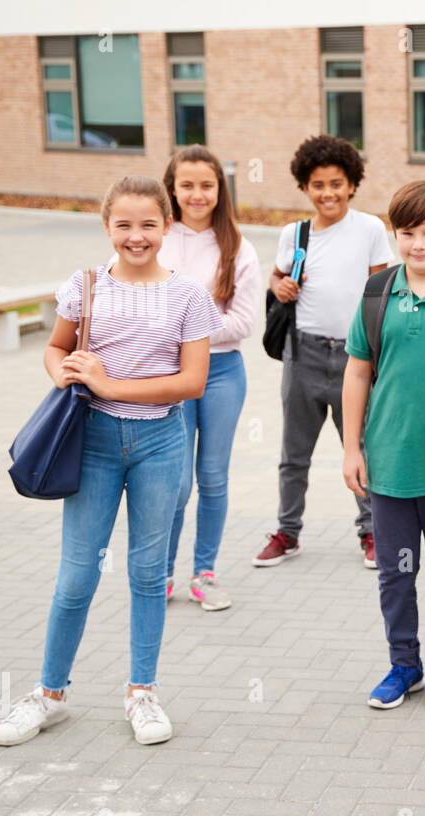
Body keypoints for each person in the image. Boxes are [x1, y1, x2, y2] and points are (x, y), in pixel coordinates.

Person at [0, 176, 223, 747]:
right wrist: (64, 374)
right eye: (124, 224)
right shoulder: (86, 285)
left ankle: (141, 693)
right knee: (77, 575)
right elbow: (55, 349)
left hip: (162, 444)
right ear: (107, 227)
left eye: (148, 224)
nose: (136, 236)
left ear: (166, 226)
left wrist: (111, 384)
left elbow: (193, 383)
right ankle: (49, 695)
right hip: (91, 441)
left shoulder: (188, 294)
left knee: (148, 575)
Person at [341, 182, 425, 710]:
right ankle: (403, 665)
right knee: (396, 574)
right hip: (389, 466)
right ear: (394, 234)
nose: (420, 244)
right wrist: (352, 448)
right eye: (408, 233)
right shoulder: (377, 295)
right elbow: (357, 372)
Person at [254, 135, 393, 570]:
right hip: (304, 354)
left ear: (352, 184)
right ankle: (287, 533)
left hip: (356, 358)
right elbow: (276, 280)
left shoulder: (370, 228)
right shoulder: (293, 234)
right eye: (318, 184)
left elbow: (382, 290)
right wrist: (280, 286)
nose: (328, 193)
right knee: (293, 455)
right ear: (304, 187)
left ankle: (372, 532)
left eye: (336, 183)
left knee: (366, 449)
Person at [159, 145, 262, 610]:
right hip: (171, 375)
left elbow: (244, 321)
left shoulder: (238, 246)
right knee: (175, 482)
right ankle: (160, 573)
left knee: (213, 477)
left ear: (220, 190)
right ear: (172, 189)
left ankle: (205, 574)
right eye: (187, 185)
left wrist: (187, 331)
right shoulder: (157, 238)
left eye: (206, 185)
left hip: (222, 372)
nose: (197, 194)